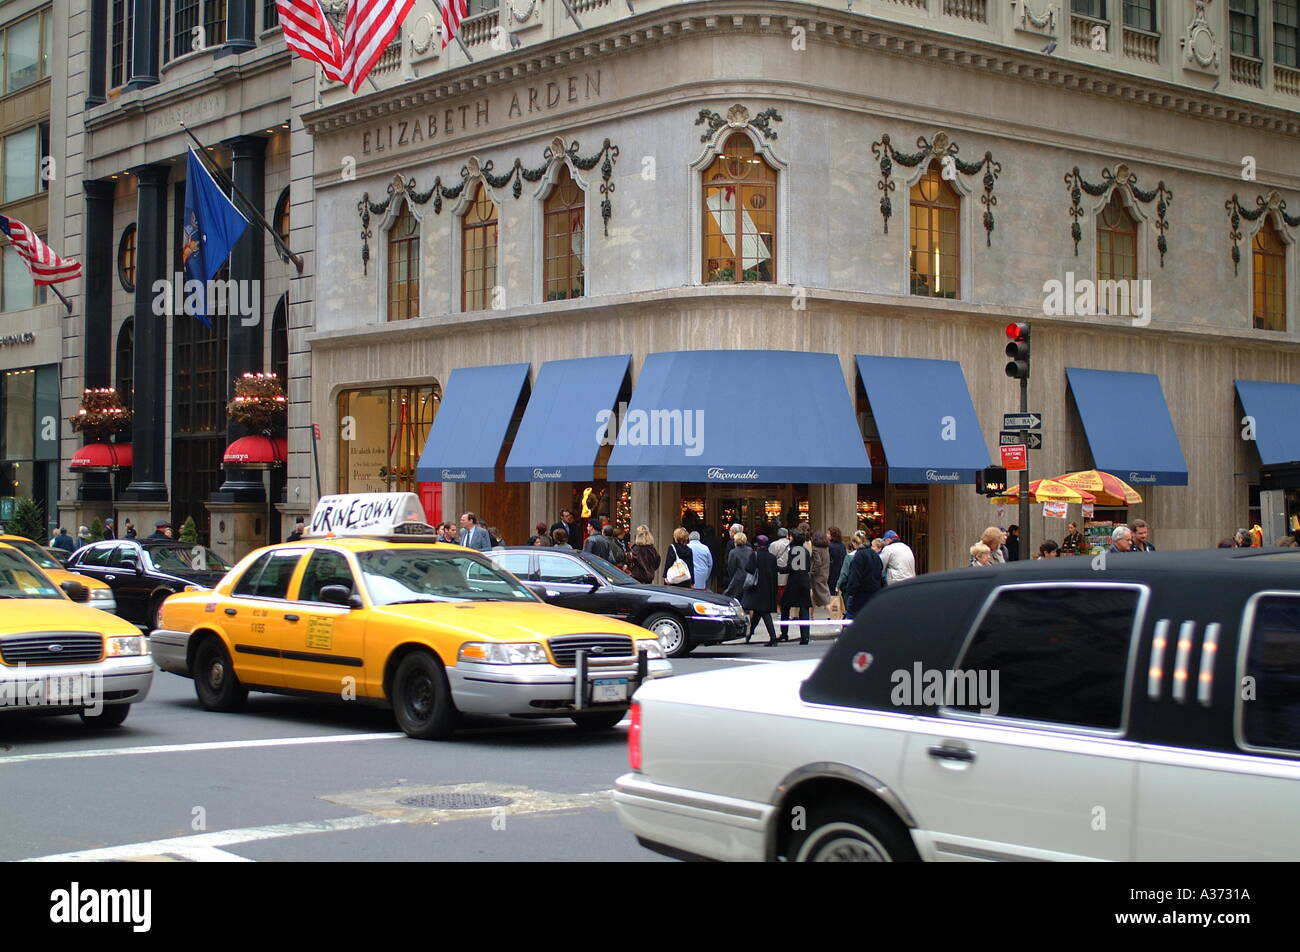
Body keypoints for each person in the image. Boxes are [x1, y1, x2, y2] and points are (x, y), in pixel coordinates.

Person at [742, 535, 780, 647]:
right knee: (759, 612)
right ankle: (748, 635)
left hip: (756, 587)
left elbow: (748, 568)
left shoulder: (755, 555)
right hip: (768, 588)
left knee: (763, 612)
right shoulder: (772, 557)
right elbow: (775, 573)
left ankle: (773, 638)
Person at [779, 531, 814, 644]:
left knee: (785, 607)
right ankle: (805, 636)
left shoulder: (793, 550)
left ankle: (784, 634)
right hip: (804, 581)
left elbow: (791, 568)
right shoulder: (806, 551)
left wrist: (778, 568)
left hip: (794, 581)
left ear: (793, 538)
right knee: (804, 608)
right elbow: (808, 567)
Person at [840, 533, 885, 618]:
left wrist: (850, 591)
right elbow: (880, 572)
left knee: (852, 615)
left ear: (854, 543)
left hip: (860, 592)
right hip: (874, 590)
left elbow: (855, 576)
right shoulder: (874, 554)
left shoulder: (858, 556)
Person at [724, 531, 754, 600]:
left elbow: (731, 567)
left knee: (734, 598)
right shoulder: (750, 550)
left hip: (738, 578)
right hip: (749, 578)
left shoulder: (733, 552)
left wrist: (733, 577)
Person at [810, 530, 832, 617]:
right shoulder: (826, 548)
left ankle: (836, 617)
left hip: (817, 576)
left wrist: (812, 572)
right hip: (825, 574)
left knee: (824, 598)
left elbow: (817, 563)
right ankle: (810, 615)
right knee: (814, 596)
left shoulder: (815, 549)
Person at [769, 527, 791, 606]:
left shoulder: (774, 544)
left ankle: (779, 607)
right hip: (789, 570)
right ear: (787, 535)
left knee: (778, 591)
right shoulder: (791, 543)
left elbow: (770, 558)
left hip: (778, 570)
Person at [827, 527, 847, 600]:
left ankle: (833, 608)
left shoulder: (830, 546)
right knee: (837, 591)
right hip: (841, 570)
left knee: (832, 592)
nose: (827, 535)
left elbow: (829, 560)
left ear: (833, 535)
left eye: (828, 533)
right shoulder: (842, 545)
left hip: (832, 572)